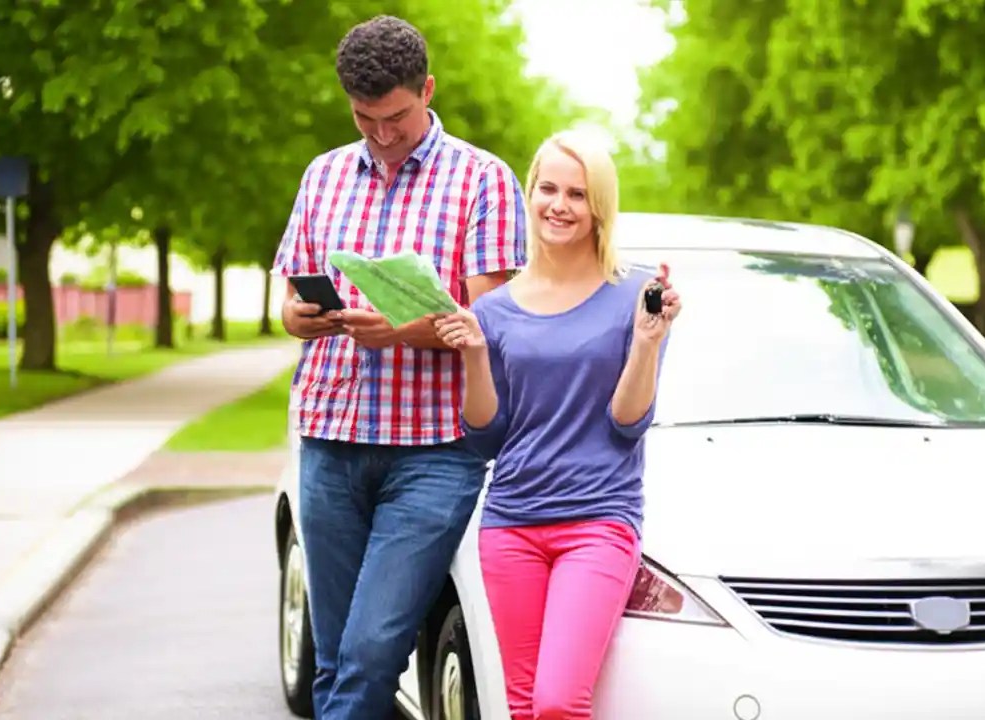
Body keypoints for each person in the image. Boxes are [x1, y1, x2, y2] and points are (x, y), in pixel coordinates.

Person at [270, 15, 527, 720]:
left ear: (428, 91)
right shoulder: (323, 176)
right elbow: (291, 304)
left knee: (371, 652)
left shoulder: (483, 182)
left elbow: (494, 326)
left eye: (397, 118)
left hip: (434, 456)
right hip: (329, 441)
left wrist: (401, 331)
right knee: (336, 656)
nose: (382, 134)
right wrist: (314, 316)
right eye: (364, 118)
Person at [433, 129, 682, 720]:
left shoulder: (635, 296)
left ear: (599, 208)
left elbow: (628, 422)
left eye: (577, 193)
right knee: (522, 706)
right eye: (549, 188)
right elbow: (486, 435)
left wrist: (646, 345)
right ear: (531, 193)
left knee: (557, 702)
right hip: (511, 524)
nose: (559, 205)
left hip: (597, 522)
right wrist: (472, 351)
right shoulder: (493, 309)